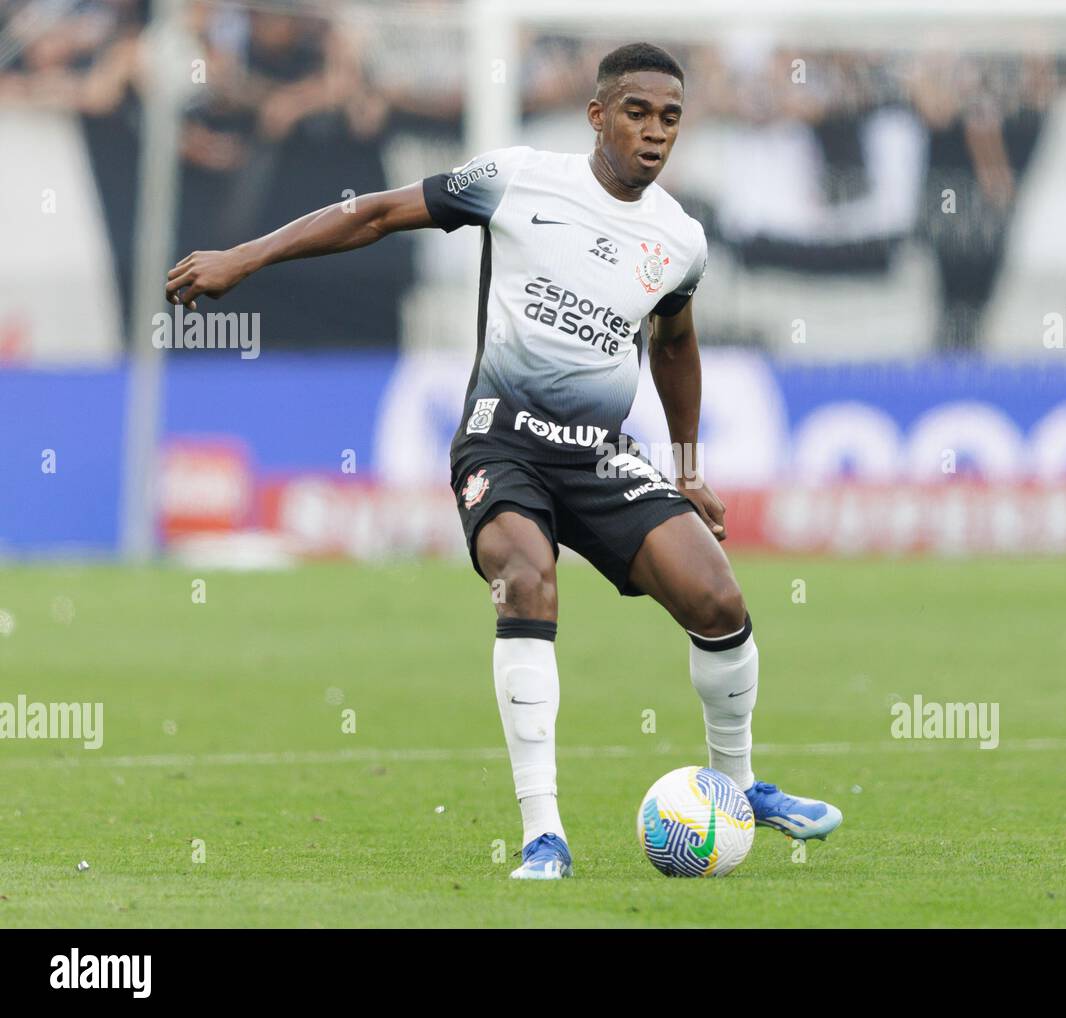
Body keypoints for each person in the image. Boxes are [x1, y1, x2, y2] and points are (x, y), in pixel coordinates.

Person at [164, 41, 842, 880]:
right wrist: (246, 258)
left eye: (670, 117)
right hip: (503, 439)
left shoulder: (679, 239)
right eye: (637, 112)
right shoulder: (519, 178)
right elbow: (373, 213)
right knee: (526, 576)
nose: (655, 132)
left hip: (599, 454)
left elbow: (675, 343)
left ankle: (738, 790)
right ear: (598, 115)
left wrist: (688, 462)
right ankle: (543, 834)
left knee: (717, 597)